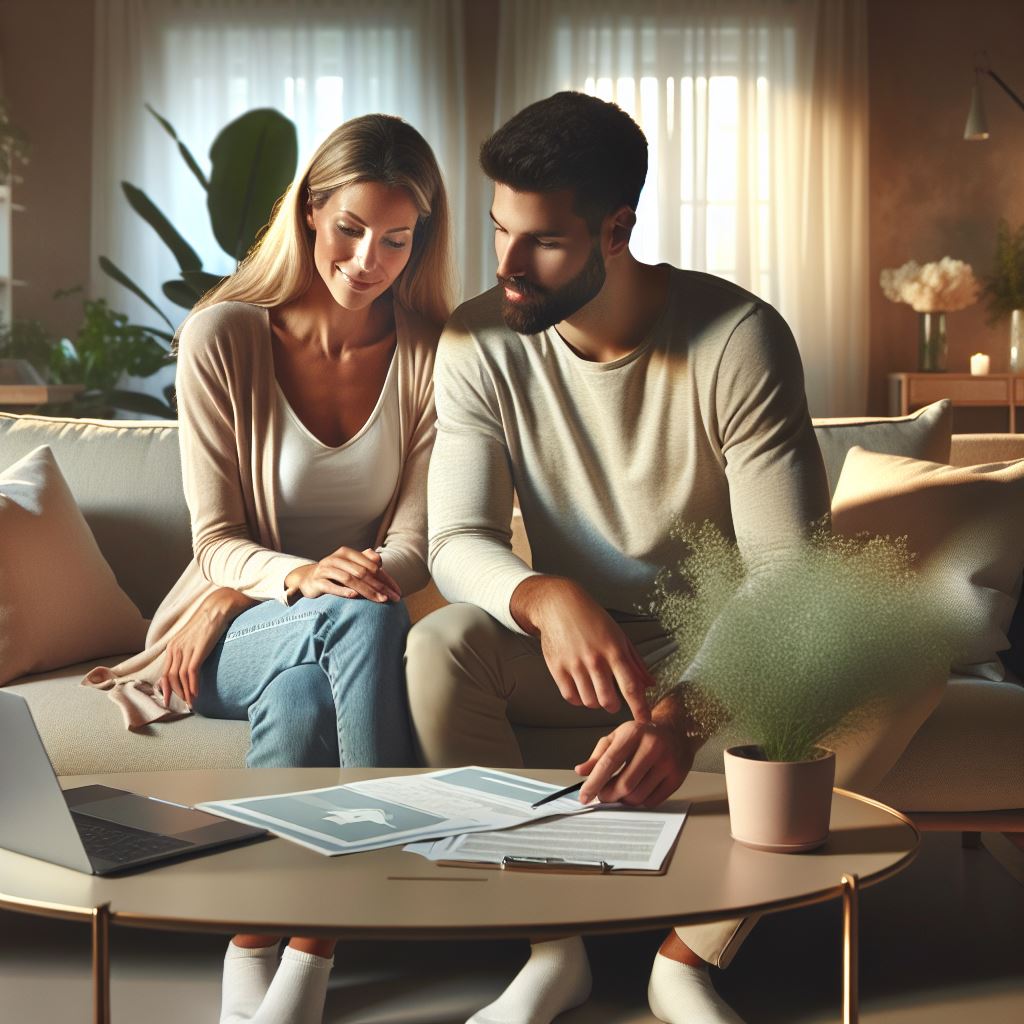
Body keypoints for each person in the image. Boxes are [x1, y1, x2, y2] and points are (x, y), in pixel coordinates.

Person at [404, 91, 833, 1024]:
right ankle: (551, 950)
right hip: (579, 661)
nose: (507, 267)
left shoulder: (739, 339)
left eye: (543, 242)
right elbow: (457, 541)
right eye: (497, 231)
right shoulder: (478, 340)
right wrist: (542, 595)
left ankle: (687, 958)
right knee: (439, 649)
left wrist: (688, 711)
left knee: (881, 652)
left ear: (615, 229)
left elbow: (787, 575)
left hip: (726, 656)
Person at [88, 113, 454, 1024]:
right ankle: (360, 897)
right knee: (364, 618)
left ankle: (261, 938)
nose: (369, 258)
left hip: (342, 627)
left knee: (304, 699)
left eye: (397, 240)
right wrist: (299, 577)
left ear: (421, 241)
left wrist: (349, 577)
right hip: (225, 632)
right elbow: (213, 540)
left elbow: (418, 541)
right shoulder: (222, 337)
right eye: (350, 230)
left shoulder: (432, 353)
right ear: (308, 215)